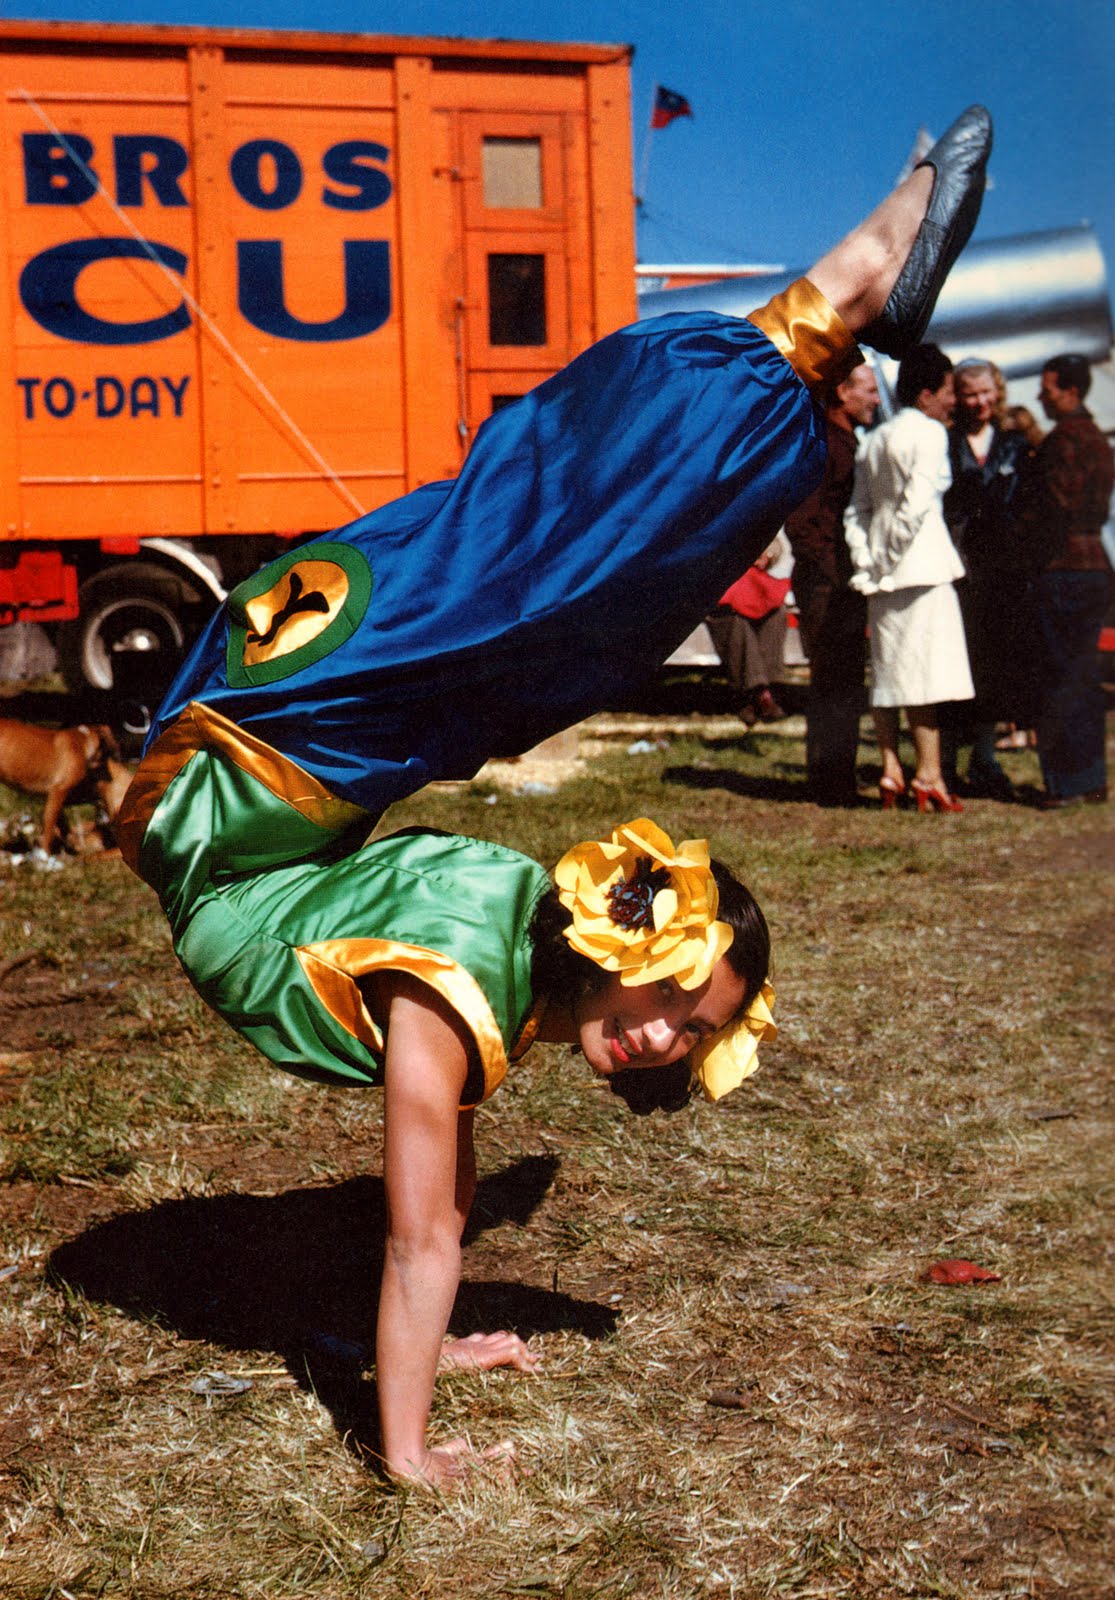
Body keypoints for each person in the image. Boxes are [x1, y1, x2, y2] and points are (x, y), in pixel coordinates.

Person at [116, 106, 992, 1485]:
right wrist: (405, 1452)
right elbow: (422, 1232)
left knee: (541, 602)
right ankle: (821, 313)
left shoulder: (493, 966)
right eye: (677, 1006)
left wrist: (439, 1325)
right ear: (628, 941)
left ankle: (813, 329)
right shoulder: (476, 964)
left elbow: (444, 1181)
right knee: (535, 597)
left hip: (250, 802)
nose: (658, 1044)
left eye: (682, 1036)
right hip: (239, 786)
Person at [844, 344, 975, 811]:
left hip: (880, 578)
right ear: (925, 394)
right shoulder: (931, 434)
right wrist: (887, 558)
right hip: (918, 570)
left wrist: (869, 561)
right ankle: (929, 774)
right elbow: (916, 506)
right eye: (947, 392)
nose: (952, 402)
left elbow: (857, 511)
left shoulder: (875, 438)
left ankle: (891, 770)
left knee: (888, 675)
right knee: (925, 677)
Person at [1017, 353, 1115, 808]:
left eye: (1048, 388)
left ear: (1070, 391)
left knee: (1057, 675)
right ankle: (1092, 777)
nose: (1040, 395)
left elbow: (1053, 508)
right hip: (1096, 564)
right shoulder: (1098, 439)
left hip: (1062, 568)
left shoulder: (1061, 443)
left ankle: (1067, 781)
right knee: (1084, 672)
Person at [785, 361, 880, 804]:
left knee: (841, 678)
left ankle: (834, 774)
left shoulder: (848, 441)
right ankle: (830, 779)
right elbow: (804, 518)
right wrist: (828, 572)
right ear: (842, 391)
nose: (876, 400)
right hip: (827, 581)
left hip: (839, 578)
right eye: (869, 391)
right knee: (833, 678)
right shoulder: (824, 442)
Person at [942, 357, 1037, 798]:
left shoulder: (1015, 442)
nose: (980, 402)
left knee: (996, 665)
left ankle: (985, 755)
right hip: (960, 568)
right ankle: (946, 759)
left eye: (986, 392)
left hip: (1004, 571)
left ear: (997, 391)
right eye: (970, 394)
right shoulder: (946, 439)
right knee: (960, 662)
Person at [707, 534, 791, 725]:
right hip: (720, 582)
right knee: (734, 621)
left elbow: (776, 544)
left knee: (776, 612)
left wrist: (766, 552)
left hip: (751, 578)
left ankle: (769, 686)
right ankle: (756, 693)